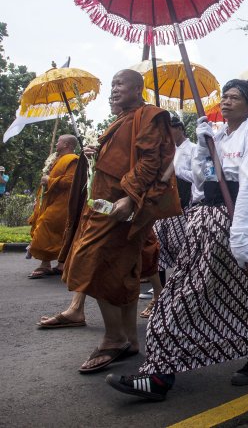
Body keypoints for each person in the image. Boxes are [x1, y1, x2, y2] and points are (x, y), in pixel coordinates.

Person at [107, 79, 248, 400]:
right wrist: (200, 146)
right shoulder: (217, 134)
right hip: (202, 222)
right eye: (224, 96)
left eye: (235, 98)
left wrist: (239, 235)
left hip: (233, 224)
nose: (226, 102)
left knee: (240, 295)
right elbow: (198, 180)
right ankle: (160, 373)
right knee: (183, 293)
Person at [61, 69, 175, 374]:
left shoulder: (149, 115)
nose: (113, 89)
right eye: (112, 84)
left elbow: (152, 160)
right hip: (104, 207)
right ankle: (130, 340)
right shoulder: (120, 121)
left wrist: (131, 196)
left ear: (138, 89)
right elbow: (122, 157)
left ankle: (113, 338)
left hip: (121, 206)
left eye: (119, 84)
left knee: (90, 263)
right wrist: (97, 152)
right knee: (123, 271)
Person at [142, 114, 201, 318]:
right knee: (156, 250)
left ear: (180, 129)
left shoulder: (192, 149)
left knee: (182, 250)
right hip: (161, 206)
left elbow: (197, 177)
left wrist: (174, 169)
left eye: (170, 129)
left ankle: (182, 295)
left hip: (182, 206)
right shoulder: (163, 151)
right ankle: (159, 296)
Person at [27, 135, 79, 279]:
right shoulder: (57, 159)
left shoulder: (73, 159)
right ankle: (57, 265)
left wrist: (50, 180)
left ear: (67, 144)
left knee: (46, 225)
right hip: (52, 200)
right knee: (56, 232)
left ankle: (46, 264)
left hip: (64, 202)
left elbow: (71, 181)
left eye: (59, 141)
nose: (56, 143)